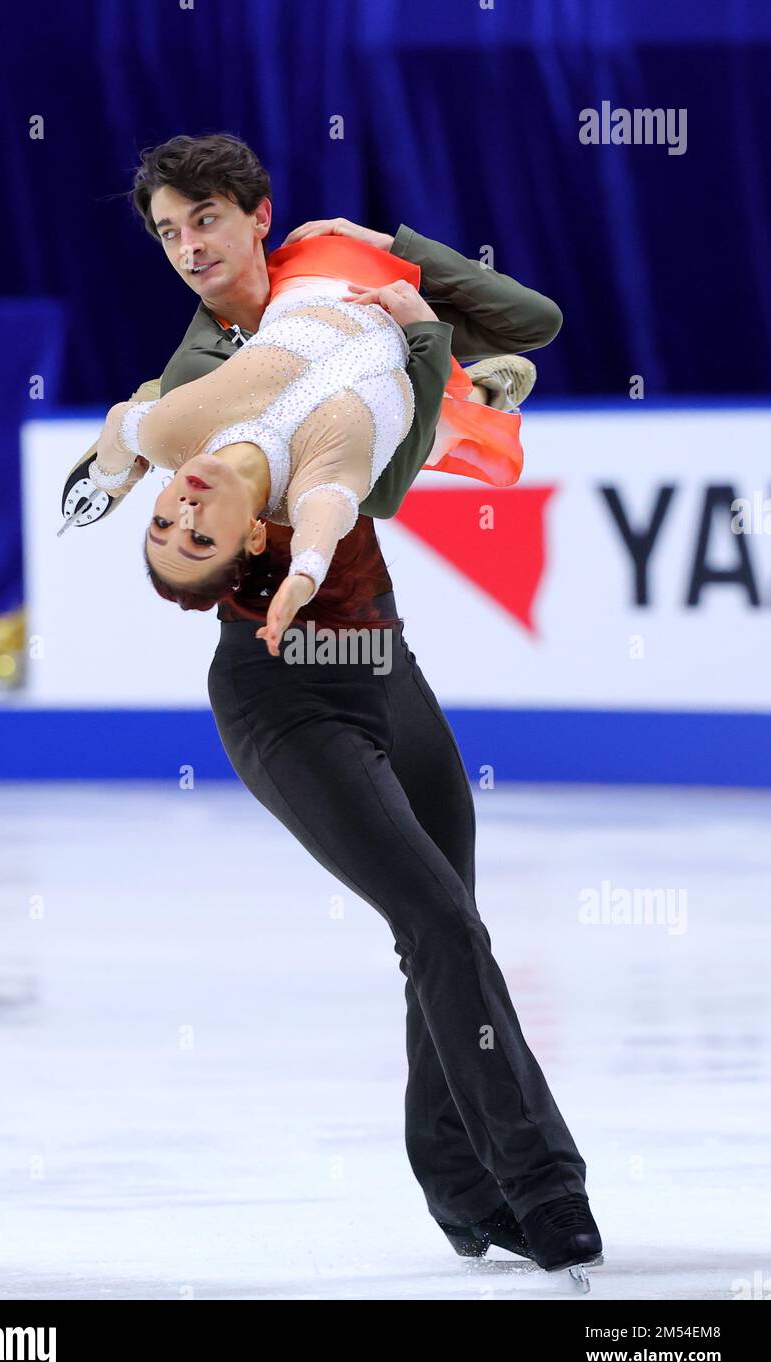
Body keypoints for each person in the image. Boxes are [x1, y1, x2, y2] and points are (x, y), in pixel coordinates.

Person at [64, 133, 603, 1276]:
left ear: (258, 215)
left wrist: (387, 256)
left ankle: (458, 1189)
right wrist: (131, 453)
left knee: (444, 926)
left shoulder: (334, 262)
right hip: (278, 682)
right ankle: (544, 1190)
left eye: (204, 219)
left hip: (380, 659)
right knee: (440, 924)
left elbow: (535, 319)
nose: (188, 249)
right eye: (166, 233)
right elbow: (336, 479)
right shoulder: (203, 366)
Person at [89, 232, 526, 655]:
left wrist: (107, 481)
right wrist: (303, 576)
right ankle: (476, 397)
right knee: (380, 492)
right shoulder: (312, 488)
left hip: (326, 281)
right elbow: (324, 519)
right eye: (201, 539)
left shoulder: (169, 434)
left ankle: (473, 398)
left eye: (161, 526)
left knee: (178, 392)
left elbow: (117, 425)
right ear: (254, 537)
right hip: (408, 345)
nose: (185, 513)